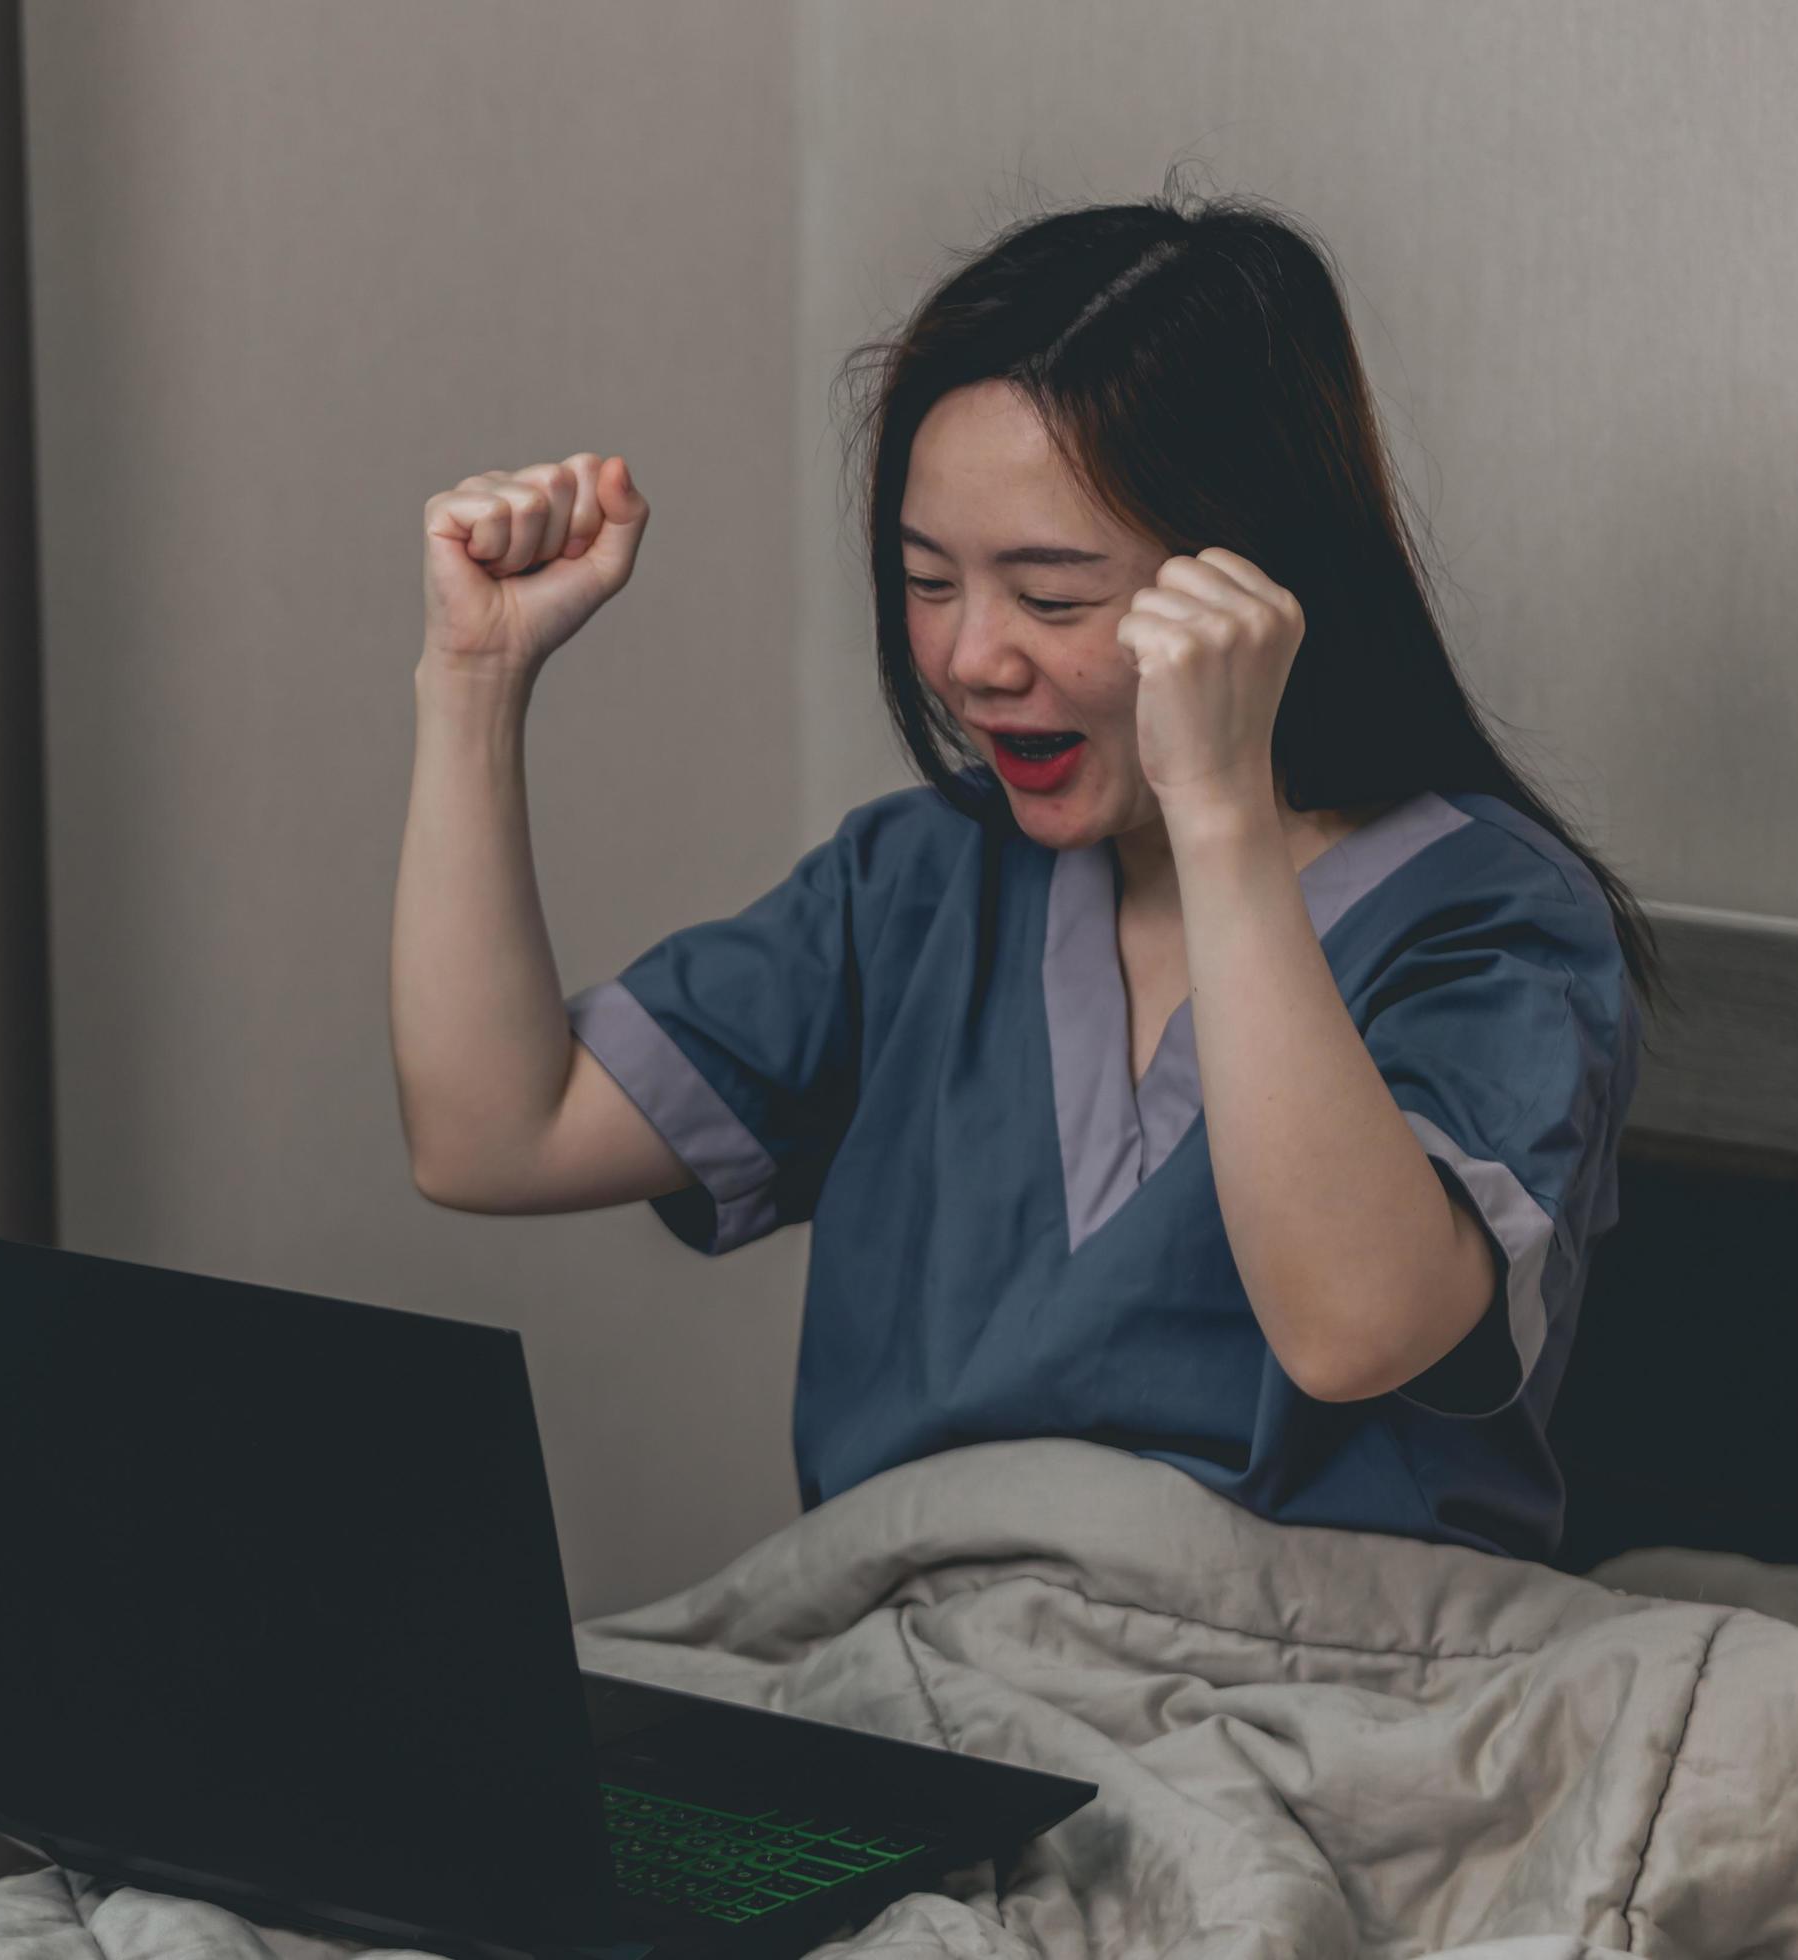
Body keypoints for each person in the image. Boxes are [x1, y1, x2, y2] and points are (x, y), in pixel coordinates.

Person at [390, 183, 1659, 1563]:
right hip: (920, 1647)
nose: (970, 660)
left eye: (1053, 597)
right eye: (929, 581)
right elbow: (491, 1137)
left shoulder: (1492, 920)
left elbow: (1357, 1330)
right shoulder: (917, 887)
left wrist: (1221, 804)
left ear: (1248, 599)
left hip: (1313, 1658)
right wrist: (475, 680)